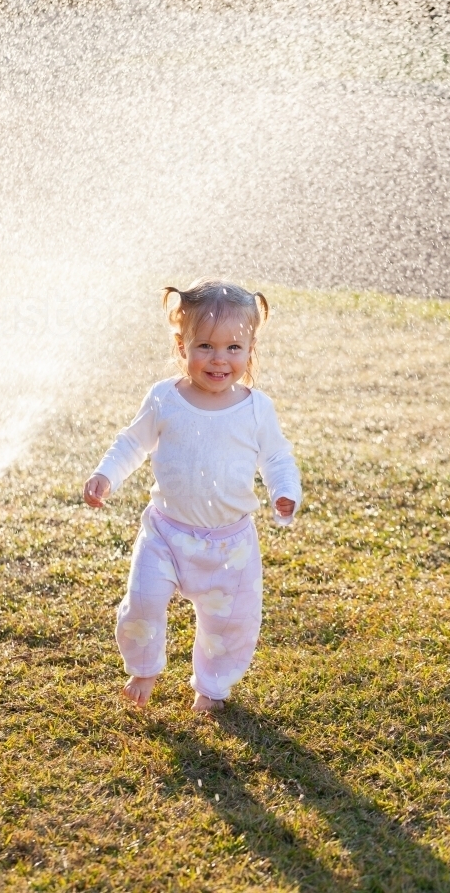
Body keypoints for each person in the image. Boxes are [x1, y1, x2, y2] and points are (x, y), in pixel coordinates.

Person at [83, 278, 301, 712]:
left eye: (233, 348)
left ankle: (212, 687)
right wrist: (106, 475)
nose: (219, 359)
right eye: (205, 346)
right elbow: (132, 443)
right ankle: (144, 668)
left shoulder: (257, 409)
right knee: (142, 603)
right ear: (182, 346)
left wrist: (285, 491)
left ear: (250, 349)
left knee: (230, 623)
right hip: (165, 532)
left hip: (230, 544)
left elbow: (277, 457)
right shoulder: (165, 398)